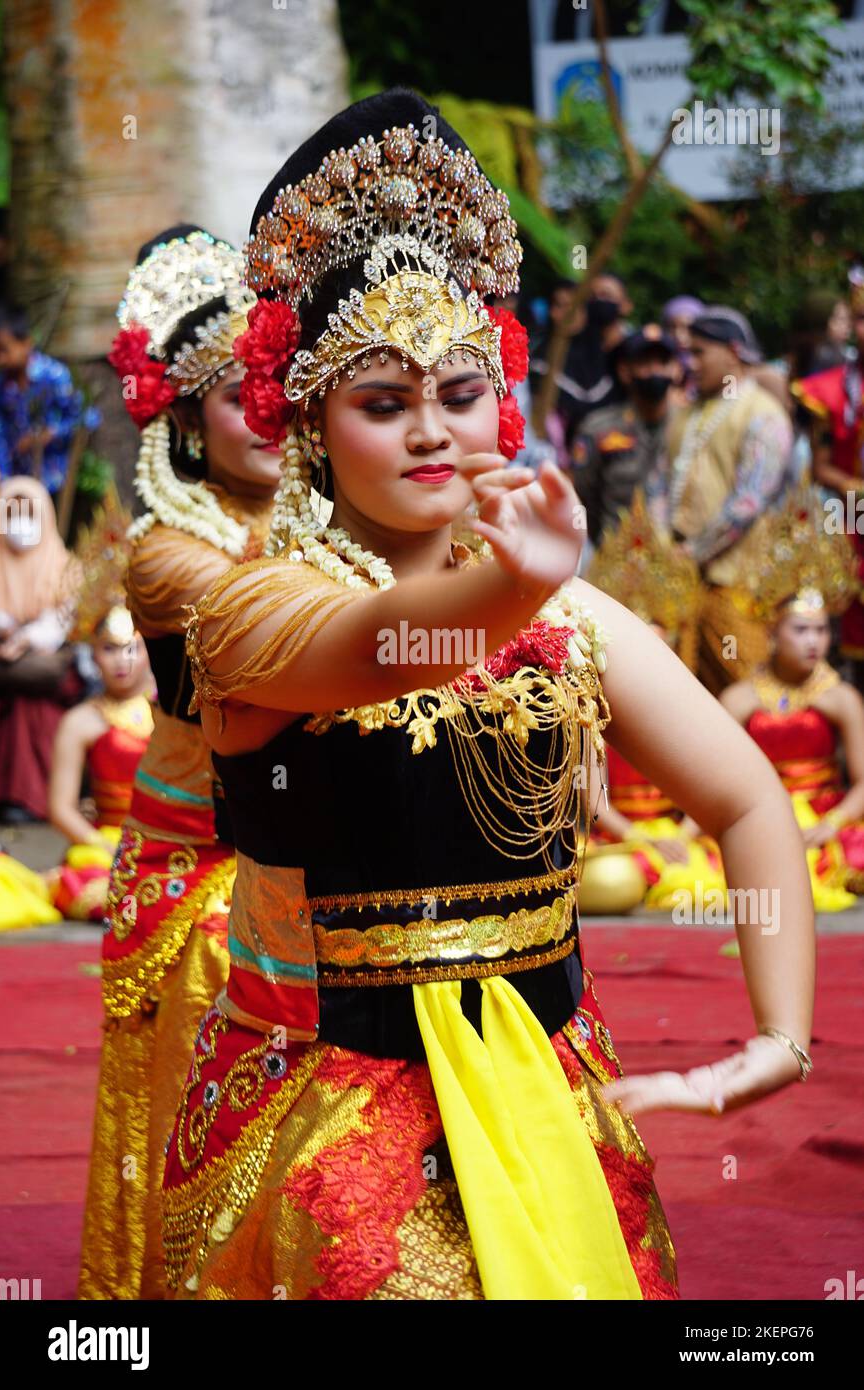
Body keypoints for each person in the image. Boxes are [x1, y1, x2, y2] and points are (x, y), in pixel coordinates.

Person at [157, 90, 814, 1303]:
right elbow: (382, 646)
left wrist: (771, 1043)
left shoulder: (563, 614)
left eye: (457, 393)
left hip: (549, 1103)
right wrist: (514, 584)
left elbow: (745, 800)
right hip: (329, 1120)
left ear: (499, 397)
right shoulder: (246, 612)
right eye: (381, 401)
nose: (430, 433)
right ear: (306, 417)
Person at [78, 226, 279, 1300]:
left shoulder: (323, 523)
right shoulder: (166, 554)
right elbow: (286, 640)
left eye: (287, 393)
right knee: (221, 987)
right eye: (240, 396)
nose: (269, 418)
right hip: (201, 862)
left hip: (309, 852)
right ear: (190, 418)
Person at [720, 478, 864, 912]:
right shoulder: (740, 699)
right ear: (772, 632)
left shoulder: (841, 697)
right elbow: (719, 781)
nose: (813, 641)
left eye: (821, 630)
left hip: (826, 821)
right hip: (761, 821)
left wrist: (830, 824)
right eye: (800, 630)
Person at [580, 491, 726, 915]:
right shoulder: (592, 710)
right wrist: (641, 838)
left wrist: (682, 835)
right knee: (613, 878)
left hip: (674, 832)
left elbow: (716, 785)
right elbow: (593, 801)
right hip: (622, 836)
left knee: (705, 879)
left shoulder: (690, 710)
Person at [661, 305, 794, 694]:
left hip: (737, 584)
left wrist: (693, 553)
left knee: (748, 695)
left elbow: (748, 503)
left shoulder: (763, 414)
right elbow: (656, 487)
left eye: (700, 352)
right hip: (680, 583)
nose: (690, 362)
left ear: (733, 351)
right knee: (683, 701)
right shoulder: (685, 414)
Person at [47, 494, 155, 922]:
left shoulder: (173, 715)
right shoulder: (80, 721)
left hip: (166, 842)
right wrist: (103, 844)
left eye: (133, 648)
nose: (123, 660)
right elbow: (61, 809)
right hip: (104, 843)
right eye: (111, 649)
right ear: (92, 654)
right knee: (91, 890)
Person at [792, 273, 864, 691]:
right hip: (850, 524)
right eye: (860, 318)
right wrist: (852, 485)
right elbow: (820, 467)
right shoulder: (831, 389)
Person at [0, 475, 83, 823]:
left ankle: (36, 797)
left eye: (28, 513)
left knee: (31, 704)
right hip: (7, 667)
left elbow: (68, 618)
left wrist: (27, 638)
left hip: (43, 671)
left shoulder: (65, 566)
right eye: (12, 513)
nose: (20, 524)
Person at [572, 324, 682, 547]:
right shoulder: (597, 429)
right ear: (625, 370)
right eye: (645, 363)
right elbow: (584, 496)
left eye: (663, 362)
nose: (655, 371)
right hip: (617, 558)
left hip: (678, 561)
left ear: (675, 369)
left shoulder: (690, 426)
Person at [530, 272, 632, 447]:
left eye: (572, 306)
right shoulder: (538, 362)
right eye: (557, 305)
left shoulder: (608, 365)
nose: (563, 314)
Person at [0, 303, 87, 495]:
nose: (0, 359)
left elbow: (85, 418)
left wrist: (49, 435)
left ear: (27, 342)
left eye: (4, 350)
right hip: (15, 478)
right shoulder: (2, 385)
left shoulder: (54, 376)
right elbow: (1, 433)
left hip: (53, 476)